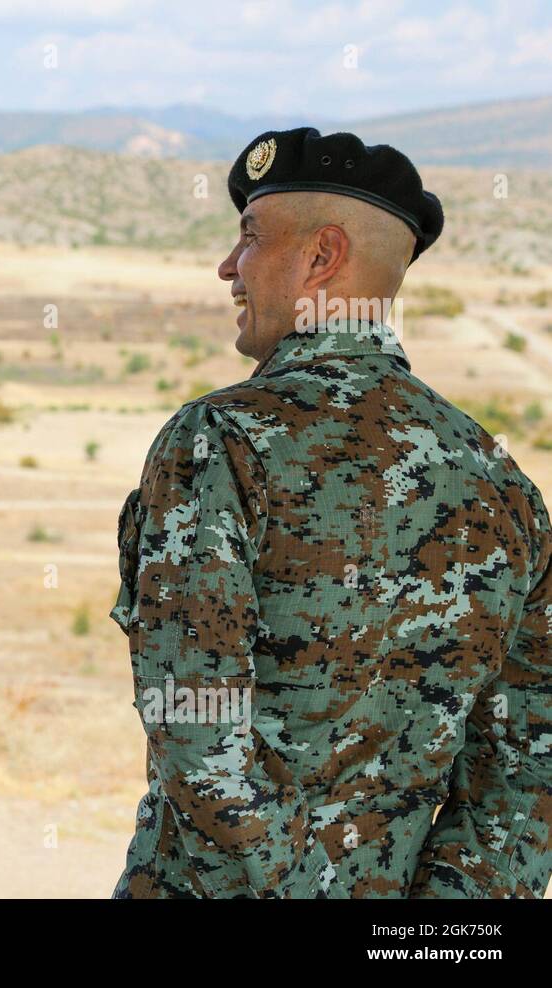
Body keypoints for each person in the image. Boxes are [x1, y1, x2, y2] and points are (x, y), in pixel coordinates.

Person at [112, 128, 552, 898]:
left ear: (321, 258)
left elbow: (196, 727)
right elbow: (525, 772)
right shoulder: (505, 485)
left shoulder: (220, 441)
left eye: (249, 238)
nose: (227, 267)